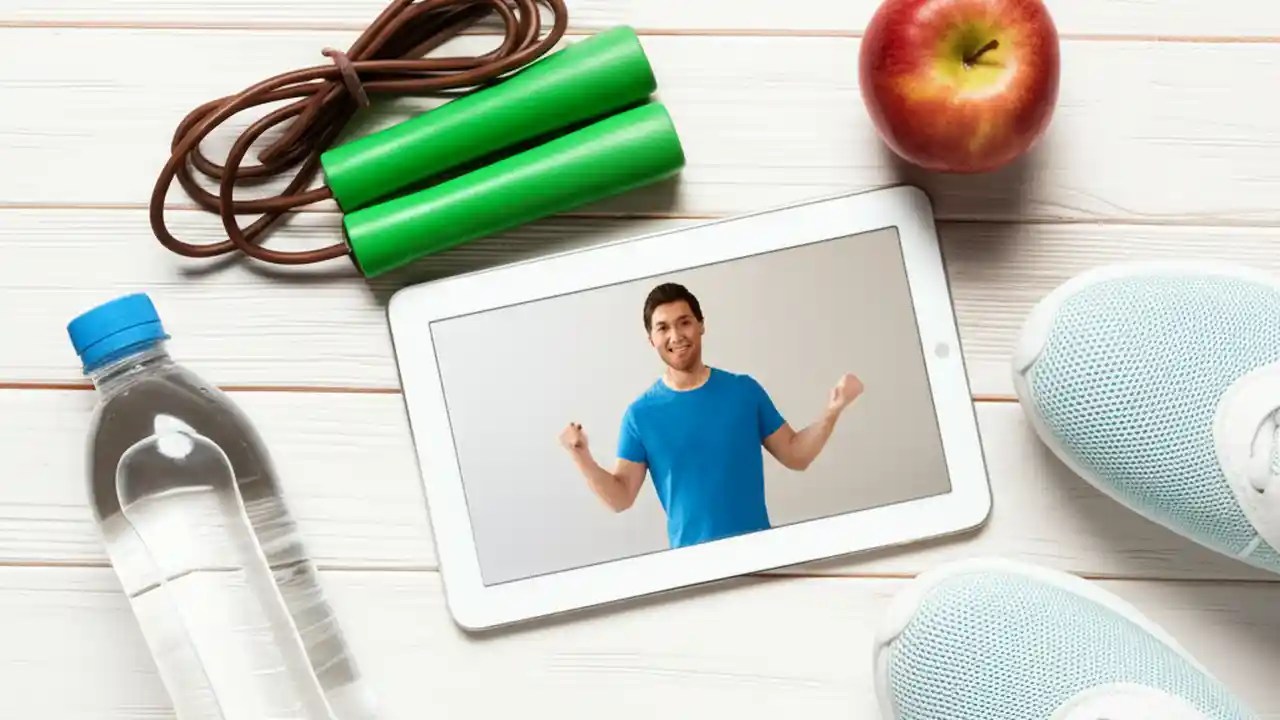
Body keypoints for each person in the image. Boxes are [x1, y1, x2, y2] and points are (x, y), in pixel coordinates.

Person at [558, 282, 864, 549]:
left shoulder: (744, 391)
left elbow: (796, 455)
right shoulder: (641, 416)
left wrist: (831, 413)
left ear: (701, 324)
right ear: (651, 339)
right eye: (662, 327)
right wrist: (581, 456)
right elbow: (620, 498)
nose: (675, 335)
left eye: (684, 322)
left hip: (762, 556)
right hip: (693, 570)